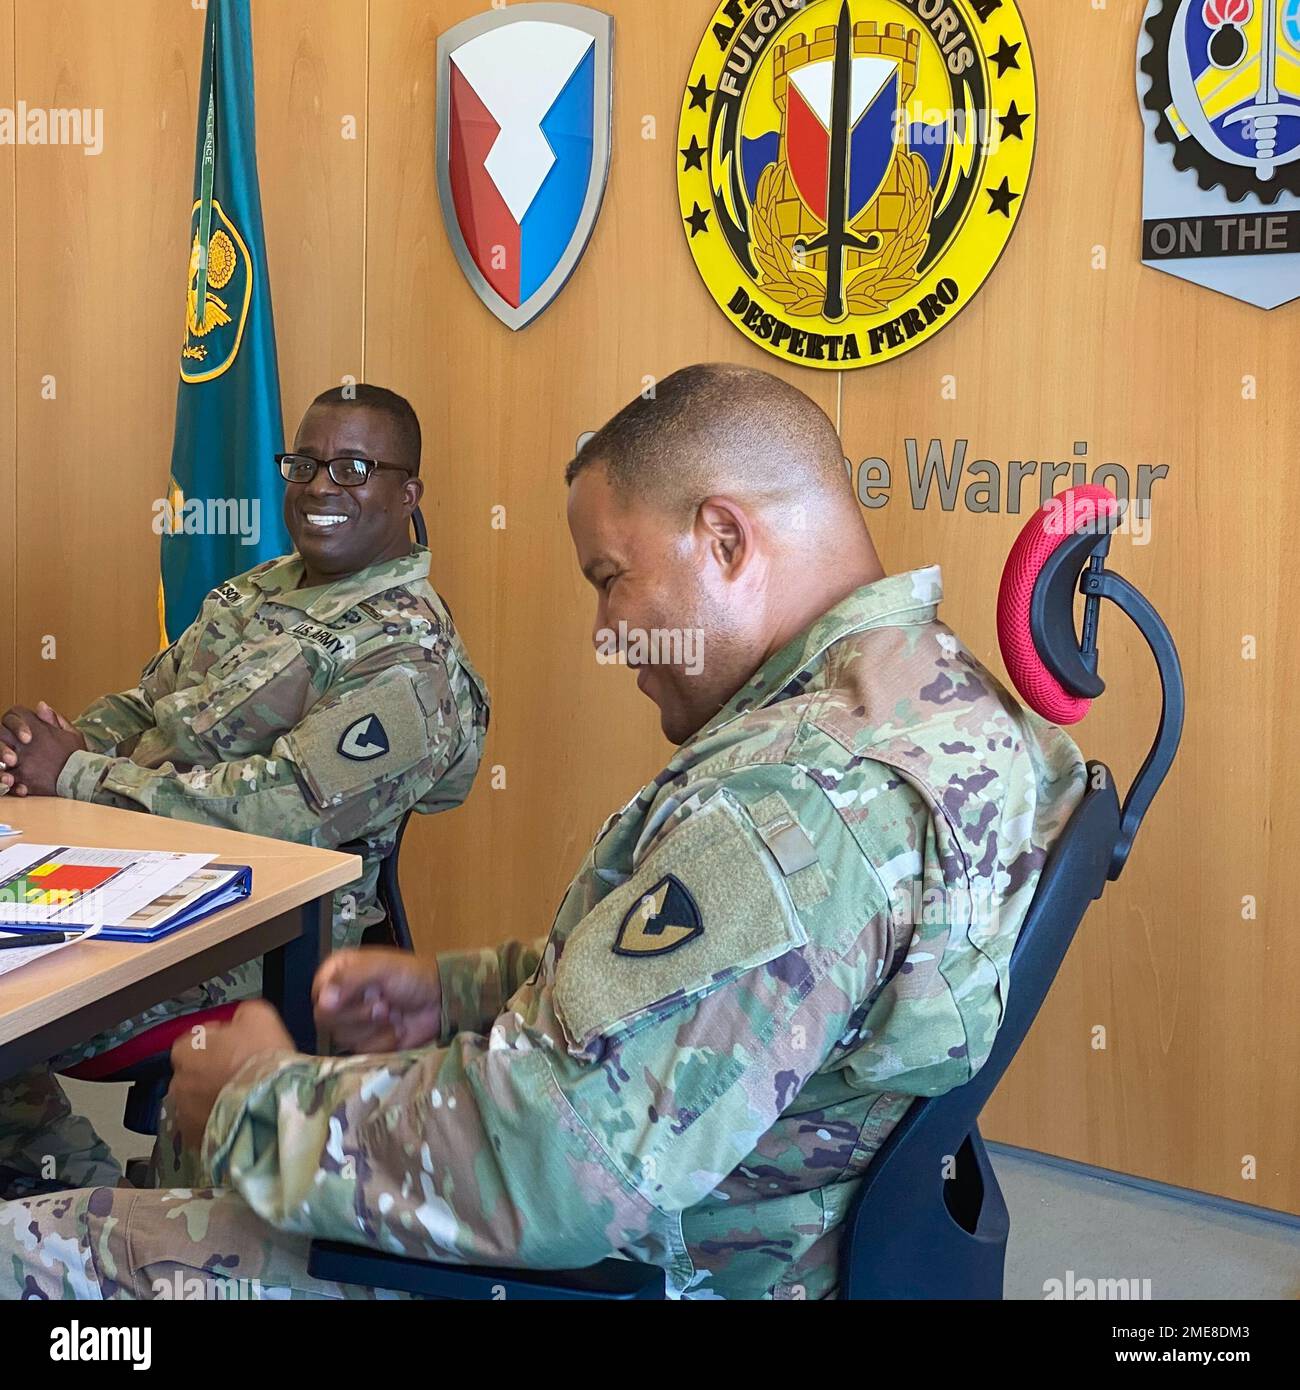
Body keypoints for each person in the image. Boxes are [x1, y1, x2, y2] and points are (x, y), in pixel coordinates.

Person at [0, 364, 1083, 1300]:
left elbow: (556, 1170)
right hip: (723, 1204)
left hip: (608, 1265)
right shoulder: (930, 701)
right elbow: (721, 998)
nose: (606, 628)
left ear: (722, 539)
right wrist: (459, 993)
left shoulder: (797, 804)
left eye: (610, 579)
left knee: (29, 1250)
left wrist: (258, 1104)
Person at [0, 384, 489, 1200]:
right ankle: (58, 1204)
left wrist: (79, 775)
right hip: (123, 879)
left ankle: (86, 1223)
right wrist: (47, 746)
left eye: (354, 468)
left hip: (244, 940)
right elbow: (149, 702)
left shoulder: (409, 659)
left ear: (408, 495)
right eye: (305, 464)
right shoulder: (260, 590)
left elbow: (281, 812)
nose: (322, 487)